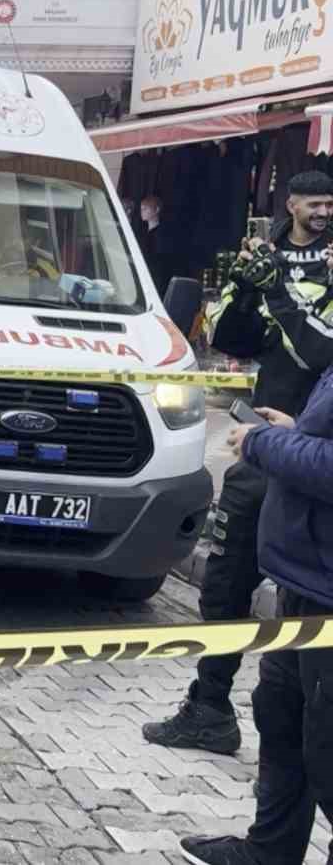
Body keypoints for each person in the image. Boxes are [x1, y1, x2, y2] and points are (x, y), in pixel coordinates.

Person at [145, 170, 333, 755]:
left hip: (314, 457)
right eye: (317, 202)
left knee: (303, 597)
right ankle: (209, 707)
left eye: (332, 202)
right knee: (226, 581)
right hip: (258, 444)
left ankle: (305, 740)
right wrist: (250, 287)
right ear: (292, 203)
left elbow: (320, 352)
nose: (325, 212)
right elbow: (233, 337)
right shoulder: (264, 252)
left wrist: (277, 292)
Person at [178, 368, 333, 865]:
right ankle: (270, 851)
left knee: (328, 751)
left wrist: (264, 443)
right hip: (305, 584)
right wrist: (295, 433)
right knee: (280, 714)